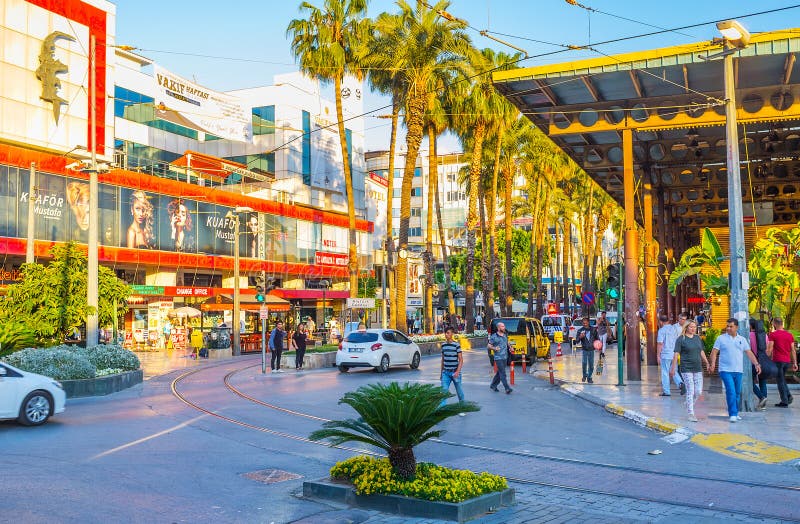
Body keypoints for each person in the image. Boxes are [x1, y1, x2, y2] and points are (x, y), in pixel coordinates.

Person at [709, 318, 761, 422]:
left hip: (738, 370)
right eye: (727, 326)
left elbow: (749, 352)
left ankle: (735, 412)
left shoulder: (742, 339)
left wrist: (756, 364)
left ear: (736, 327)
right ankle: (732, 413)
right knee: (731, 391)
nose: (728, 328)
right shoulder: (721, 338)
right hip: (725, 370)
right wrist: (713, 363)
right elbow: (714, 352)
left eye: (731, 326)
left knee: (737, 392)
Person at [671, 320, 710, 422]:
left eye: (694, 327)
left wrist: (706, 362)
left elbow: (701, 351)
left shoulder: (697, 338)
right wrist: (673, 368)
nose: (693, 329)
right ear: (686, 327)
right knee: (691, 390)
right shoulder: (681, 339)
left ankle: (689, 403)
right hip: (686, 368)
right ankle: (691, 414)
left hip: (697, 368)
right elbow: (676, 354)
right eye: (691, 327)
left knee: (698, 391)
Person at [767, 317, 798, 408]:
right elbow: (793, 350)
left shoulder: (773, 335)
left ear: (775, 324)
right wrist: (795, 363)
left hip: (778, 361)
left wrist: (764, 357)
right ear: (782, 324)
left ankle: (785, 401)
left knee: (780, 381)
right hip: (787, 361)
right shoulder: (789, 335)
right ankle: (788, 396)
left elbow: (770, 349)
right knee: (782, 379)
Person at [657, 314, 684, 396]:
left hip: (665, 354)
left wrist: (658, 355)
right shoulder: (674, 329)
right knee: (673, 371)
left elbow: (660, 344)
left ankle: (666, 391)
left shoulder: (661, 330)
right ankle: (680, 383)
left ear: (661, 322)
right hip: (674, 354)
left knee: (665, 372)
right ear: (668, 321)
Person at [440, 327, 466, 412]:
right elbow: (443, 359)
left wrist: (457, 372)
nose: (446, 334)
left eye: (448, 333)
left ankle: (462, 408)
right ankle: (441, 411)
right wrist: (441, 373)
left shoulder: (456, 345)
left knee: (459, 392)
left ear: (452, 334)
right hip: (445, 373)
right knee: (443, 393)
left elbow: (461, 360)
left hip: (455, 373)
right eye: (445, 333)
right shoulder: (443, 345)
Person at [749, 319, 770, 410]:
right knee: (762, 382)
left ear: (750, 326)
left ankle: (761, 397)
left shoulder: (749, 335)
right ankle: (763, 405)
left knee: (750, 382)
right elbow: (768, 348)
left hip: (753, 362)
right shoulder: (764, 335)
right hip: (763, 361)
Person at [488, 322, 513, 394]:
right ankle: (507, 388)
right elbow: (488, 346)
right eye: (502, 326)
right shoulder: (494, 336)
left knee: (499, 372)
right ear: (498, 328)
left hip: (505, 356)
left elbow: (507, 342)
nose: (504, 327)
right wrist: (494, 348)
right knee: (503, 372)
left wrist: (510, 347)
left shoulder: (505, 335)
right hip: (498, 357)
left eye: (504, 326)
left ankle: (493, 385)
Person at [576, 317, 600, 383]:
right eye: (583, 323)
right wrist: (580, 337)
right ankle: (584, 376)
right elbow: (577, 341)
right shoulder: (580, 330)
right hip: (584, 349)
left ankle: (589, 377)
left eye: (586, 323)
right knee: (584, 363)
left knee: (591, 365)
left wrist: (599, 345)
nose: (584, 324)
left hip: (591, 349)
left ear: (588, 322)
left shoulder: (593, 329)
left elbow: (597, 339)